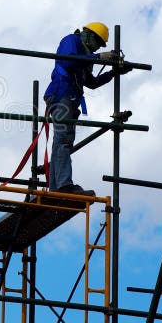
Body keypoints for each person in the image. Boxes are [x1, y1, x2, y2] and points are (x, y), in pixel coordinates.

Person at [43, 22, 130, 195]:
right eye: (98, 42)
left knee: (61, 141)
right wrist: (99, 57)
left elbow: (91, 82)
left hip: (70, 98)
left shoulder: (86, 54)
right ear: (88, 35)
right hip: (61, 94)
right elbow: (69, 62)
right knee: (63, 139)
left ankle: (56, 187)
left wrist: (114, 72)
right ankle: (63, 185)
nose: (97, 46)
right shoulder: (72, 40)